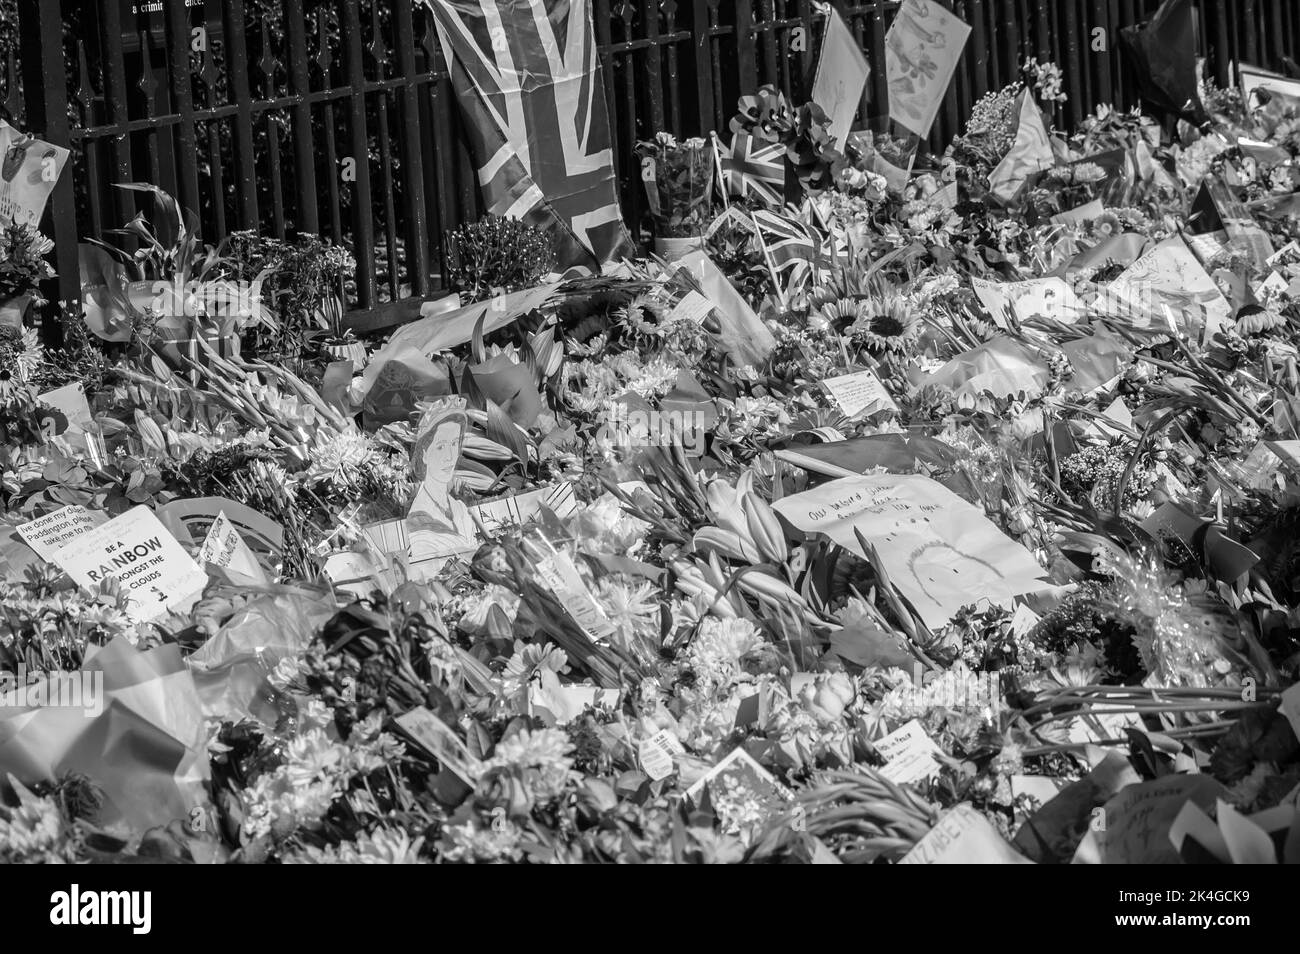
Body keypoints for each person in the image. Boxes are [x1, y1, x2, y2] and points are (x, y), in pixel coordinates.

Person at [407, 404, 476, 564]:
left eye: (454, 444)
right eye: (440, 447)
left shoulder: (459, 507)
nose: (450, 456)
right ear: (424, 453)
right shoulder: (418, 518)